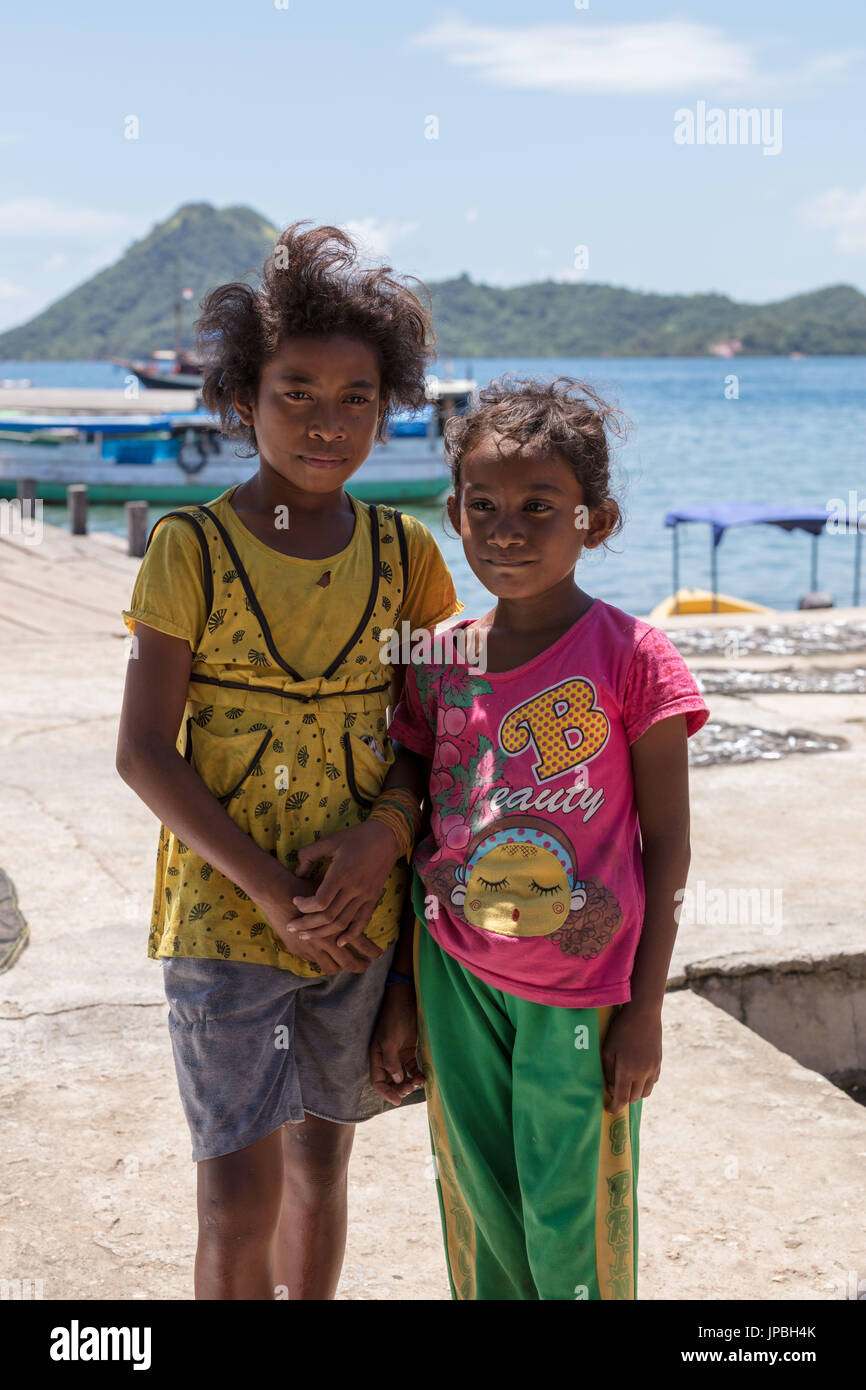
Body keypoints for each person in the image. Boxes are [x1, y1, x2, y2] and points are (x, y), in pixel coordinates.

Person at [116, 222, 462, 1300]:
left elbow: (434, 737)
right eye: (295, 392)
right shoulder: (191, 551)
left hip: (358, 915)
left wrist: (385, 834)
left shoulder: (406, 557)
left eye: (355, 396)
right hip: (226, 919)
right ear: (240, 401)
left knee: (323, 1158)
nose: (326, 421)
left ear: (388, 404)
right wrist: (269, 888)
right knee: (235, 1195)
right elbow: (140, 753)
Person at [385, 374, 710, 1300]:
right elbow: (422, 813)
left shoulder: (634, 658)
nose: (507, 531)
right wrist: (404, 990)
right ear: (453, 512)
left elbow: (669, 846)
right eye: (482, 506)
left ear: (594, 522)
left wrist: (646, 1008)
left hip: (583, 982)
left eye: (539, 506)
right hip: (454, 971)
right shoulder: (440, 655)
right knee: (478, 1195)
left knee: (572, 1218)